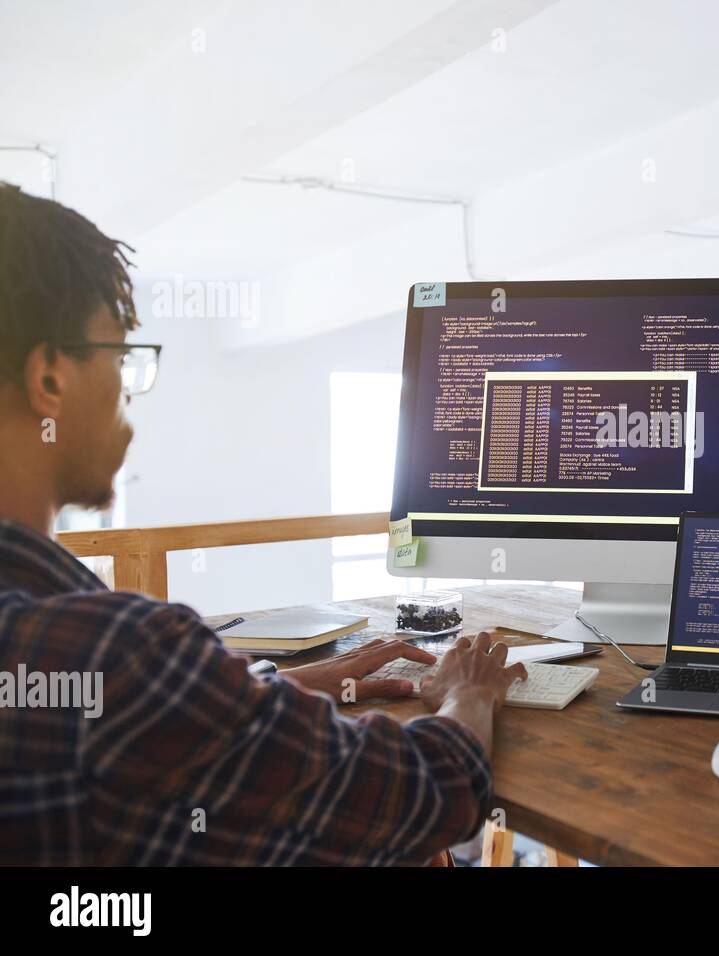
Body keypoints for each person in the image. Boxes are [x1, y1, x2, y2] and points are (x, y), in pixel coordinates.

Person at [0, 182, 525, 865]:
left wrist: (261, 694)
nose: (127, 392)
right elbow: (428, 793)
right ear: (49, 378)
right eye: (120, 359)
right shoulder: (114, 653)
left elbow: (152, 739)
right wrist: (467, 693)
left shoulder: (70, 648)